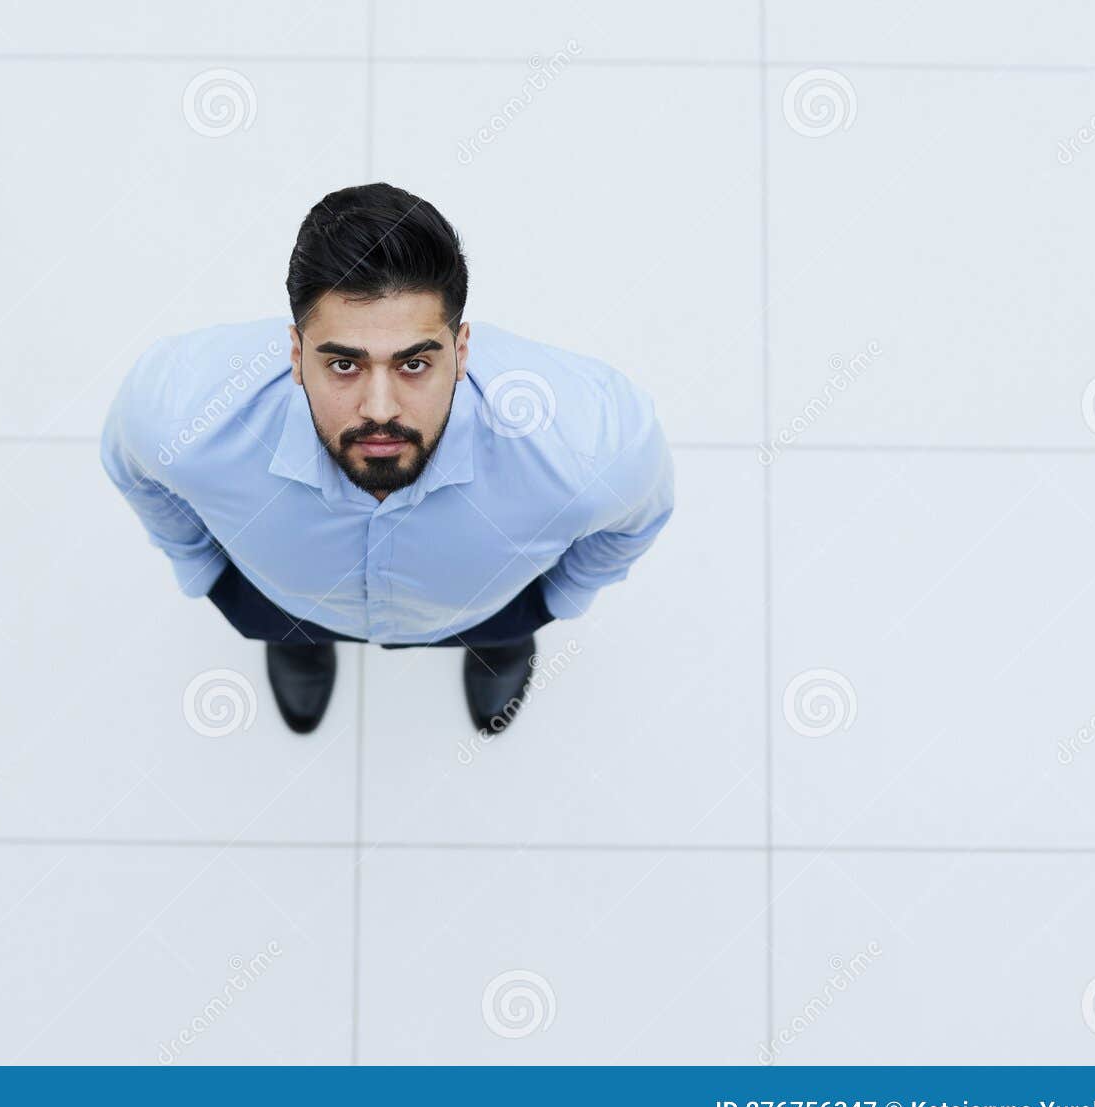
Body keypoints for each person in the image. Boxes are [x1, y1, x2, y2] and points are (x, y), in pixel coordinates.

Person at [101, 182, 675, 735]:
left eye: (415, 364)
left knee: (498, 629)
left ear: (462, 349)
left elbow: (636, 517)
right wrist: (201, 566)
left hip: (484, 608)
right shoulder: (180, 414)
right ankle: (302, 644)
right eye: (345, 365)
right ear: (297, 355)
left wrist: (558, 600)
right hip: (282, 601)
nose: (380, 409)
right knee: (290, 628)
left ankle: (498, 647)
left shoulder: (589, 447)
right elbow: (134, 471)